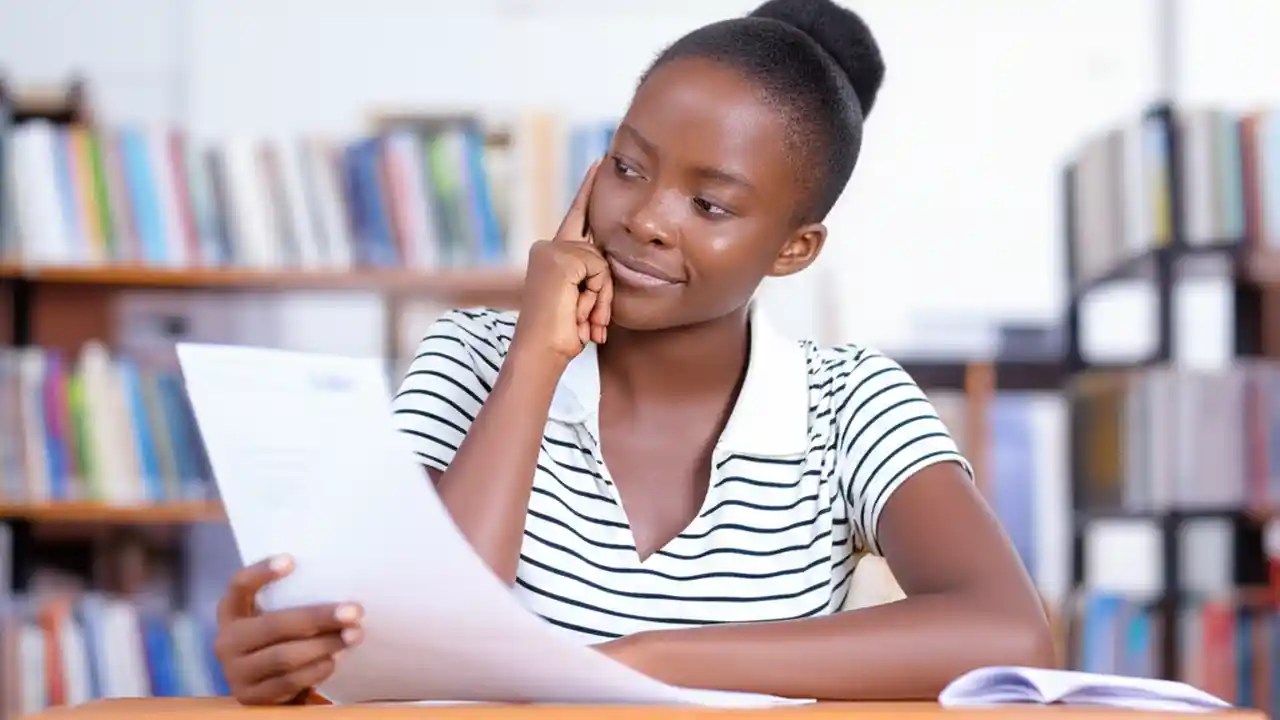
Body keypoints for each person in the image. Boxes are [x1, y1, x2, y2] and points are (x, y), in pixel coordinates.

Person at [212, 0, 1055, 705]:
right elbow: (416, 634)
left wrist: (641, 665)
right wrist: (536, 361)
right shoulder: (470, 356)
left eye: (710, 204)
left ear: (793, 250)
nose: (647, 216)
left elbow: (1009, 633)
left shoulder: (847, 400)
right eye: (627, 165)